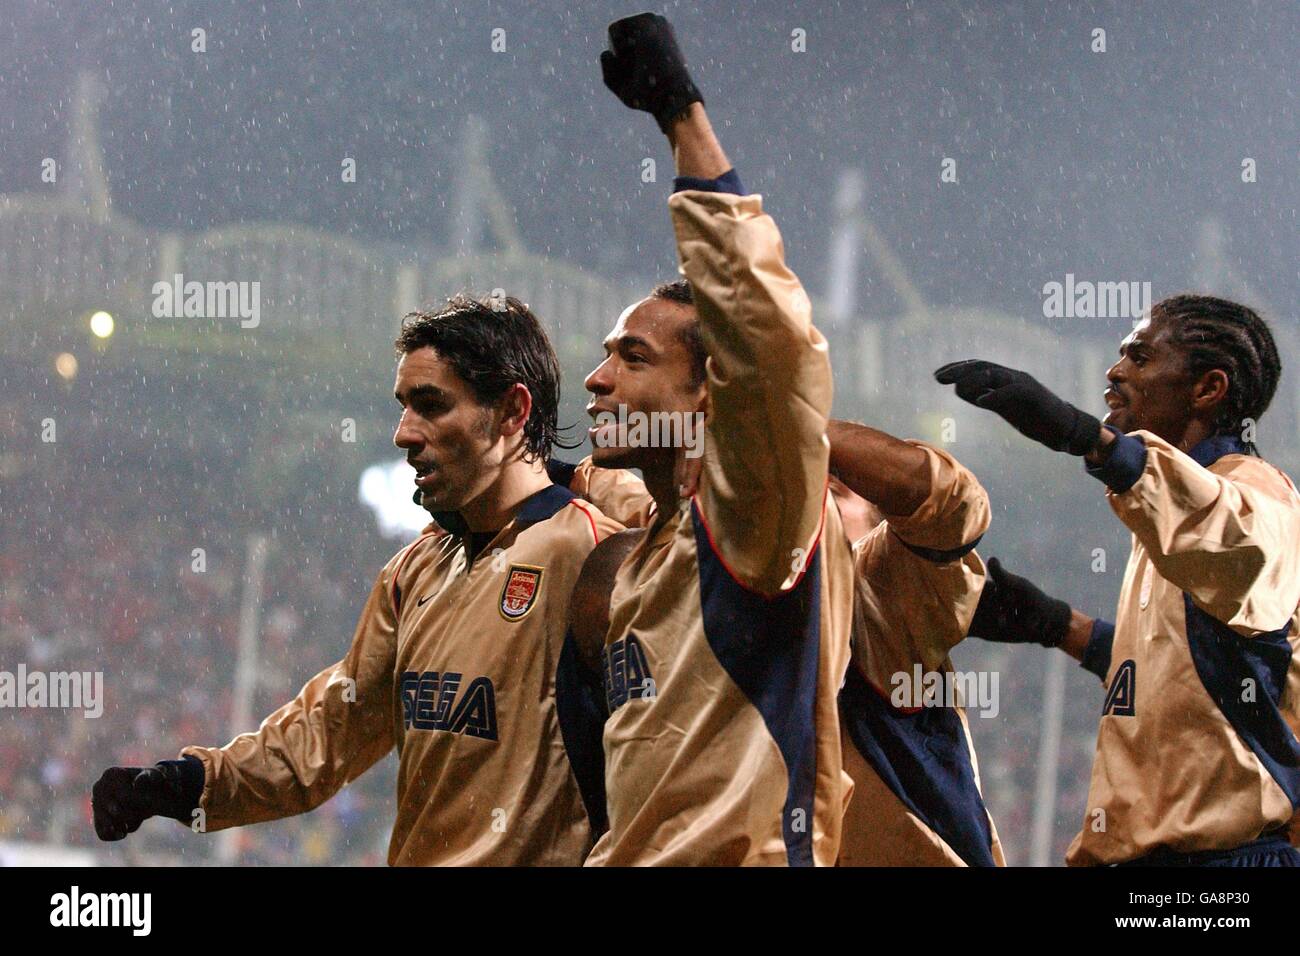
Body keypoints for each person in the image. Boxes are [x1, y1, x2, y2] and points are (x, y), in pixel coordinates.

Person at [91, 294, 624, 865]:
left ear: (512, 412)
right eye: (403, 406)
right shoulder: (415, 570)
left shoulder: (596, 557)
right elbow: (327, 735)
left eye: (430, 405)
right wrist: (184, 783)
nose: (403, 433)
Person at [577, 13, 855, 866]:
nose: (597, 379)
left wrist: (683, 120)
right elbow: (596, 484)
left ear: (708, 389)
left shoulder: (752, 518)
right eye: (602, 357)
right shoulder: (658, 531)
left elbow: (771, 341)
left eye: (632, 357)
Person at [939, 294, 1300, 866]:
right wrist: (1055, 624)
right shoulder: (1171, 512)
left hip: (1226, 865)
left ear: (1208, 388)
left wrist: (1088, 438)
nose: (1115, 370)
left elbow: (1233, 544)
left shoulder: (1257, 495)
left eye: (1140, 355)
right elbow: (1184, 674)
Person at [825, 422, 1006, 866]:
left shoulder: (878, 578)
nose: (816, 506)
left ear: (878, 532)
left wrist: (783, 418)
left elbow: (951, 501)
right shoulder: (726, 596)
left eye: (834, 493)